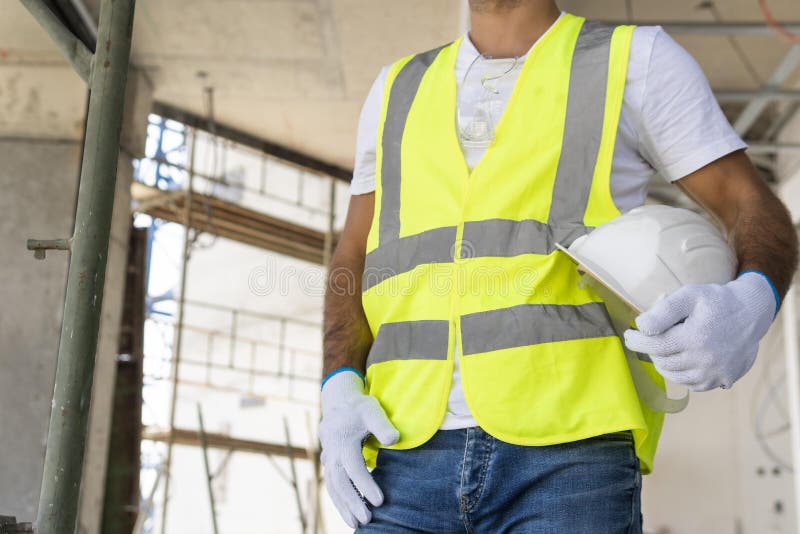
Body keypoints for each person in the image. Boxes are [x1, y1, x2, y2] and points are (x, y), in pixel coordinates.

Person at [319, 0, 799, 532]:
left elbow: (750, 203)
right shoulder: (395, 88)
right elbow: (353, 255)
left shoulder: (635, 60)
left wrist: (751, 301)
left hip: (572, 457)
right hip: (401, 450)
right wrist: (338, 386)